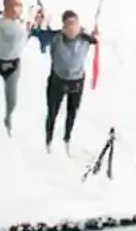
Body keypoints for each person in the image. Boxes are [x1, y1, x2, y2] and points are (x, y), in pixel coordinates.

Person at [32, 10, 97, 154]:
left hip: (77, 82)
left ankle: (67, 138)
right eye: (69, 24)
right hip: (57, 80)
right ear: (63, 27)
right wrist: (38, 22)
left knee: (72, 113)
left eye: (75, 24)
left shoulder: (86, 39)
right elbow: (38, 34)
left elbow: (97, 40)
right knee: (52, 112)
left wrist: (97, 34)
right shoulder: (56, 37)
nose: (73, 28)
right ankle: (48, 140)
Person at [0, 0, 38, 137]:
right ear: (5, 7)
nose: (15, 9)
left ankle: (8, 117)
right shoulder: (0, 23)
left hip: (13, 65)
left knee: (12, 100)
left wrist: (36, 20)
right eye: (12, 5)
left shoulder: (22, 23)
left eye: (18, 5)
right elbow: (12, 33)